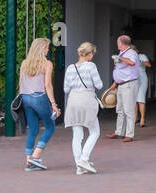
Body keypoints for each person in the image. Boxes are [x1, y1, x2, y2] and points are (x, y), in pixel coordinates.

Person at [19, 37, 59, 171]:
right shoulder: (47, 64)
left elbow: (21, 83)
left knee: (33, 130)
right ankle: (35, 157)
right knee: (50, 127)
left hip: (25, 98)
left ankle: (28, 162)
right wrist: (53, 103)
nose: (48, 50)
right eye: (47, 48)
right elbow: (48, 85)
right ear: (42, 49)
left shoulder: (24, 63)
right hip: (39, 97)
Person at [63, 41, 103, 175]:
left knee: (77, 135)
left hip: (73, 100)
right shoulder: (91, 66)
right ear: (90, 54)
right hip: (87, 100)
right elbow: (99, 85)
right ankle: (84, 159)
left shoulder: (70, 68)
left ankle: (78, 165)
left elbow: (66, 88)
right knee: (95, 131)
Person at [107, 35, 139, 141]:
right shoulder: (122, 53)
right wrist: (115, 82)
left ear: (122, 43)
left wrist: (119, 58)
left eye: (118, 42)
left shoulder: (131, 53)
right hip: (121, 84)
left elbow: (132, 62)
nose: (117, 44)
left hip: (129, 84)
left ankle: (129, 134)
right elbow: (121, 69)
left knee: (128, 110)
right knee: (120, 109)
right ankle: (119, 132)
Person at [134, 48, 152, 128]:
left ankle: (142, 119)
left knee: (140, 99)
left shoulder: (141, 56)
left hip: (142, 78)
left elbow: (148, 64)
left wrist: (140, 62)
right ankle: (136, 117)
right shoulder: (128, 57)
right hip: (132, 79)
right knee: (134, 99)